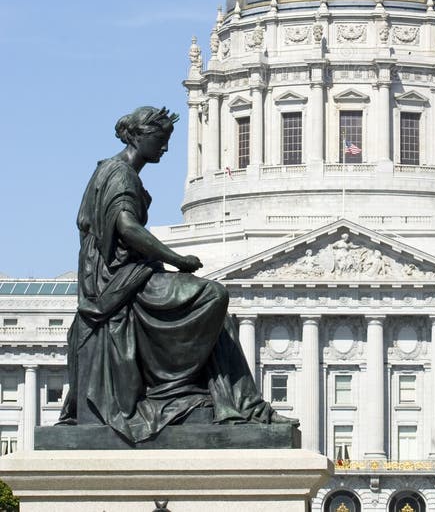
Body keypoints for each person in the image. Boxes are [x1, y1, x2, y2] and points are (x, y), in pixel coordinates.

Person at [59, 106, 289, 443]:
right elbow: (127, 226)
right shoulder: (118, 173)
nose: (165, 148)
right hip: (116, 283)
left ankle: (236, 404)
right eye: (160, 139)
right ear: (139, 135)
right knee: (213, 295)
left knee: (219, 320)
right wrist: (176, 259)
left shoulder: (116, 171)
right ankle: (179, 388)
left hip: (129, 275)